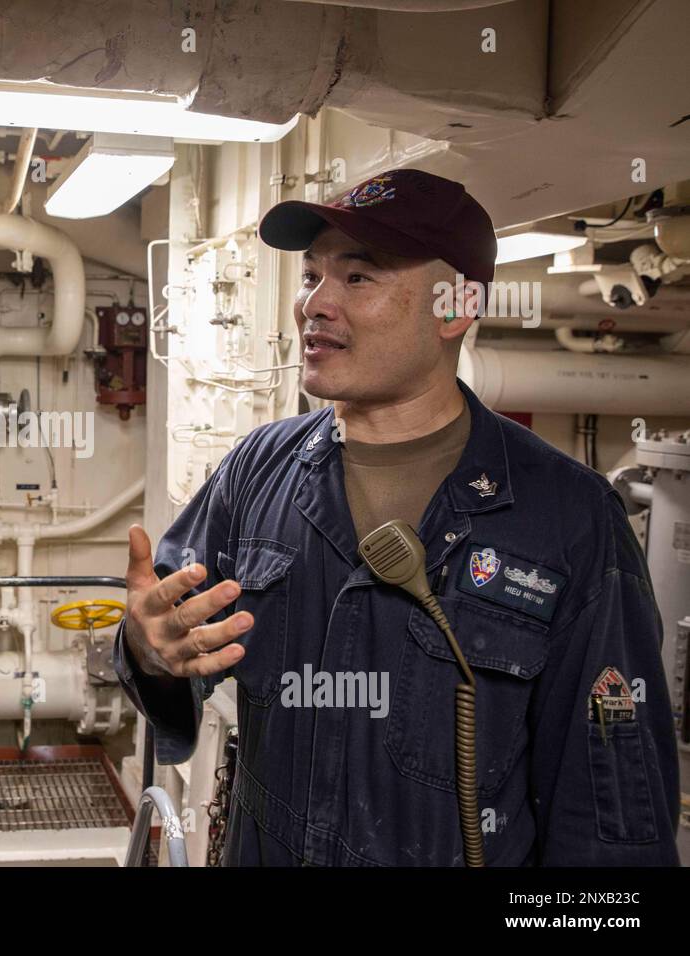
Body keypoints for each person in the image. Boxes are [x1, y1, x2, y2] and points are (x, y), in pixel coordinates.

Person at [116, 168, 682, 866]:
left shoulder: (571, 520)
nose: (314, 306)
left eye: (358, 278)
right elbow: (169, 648)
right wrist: (147, 650)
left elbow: (611, 820)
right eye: (311, 275)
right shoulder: (257, 469)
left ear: (453, 307)